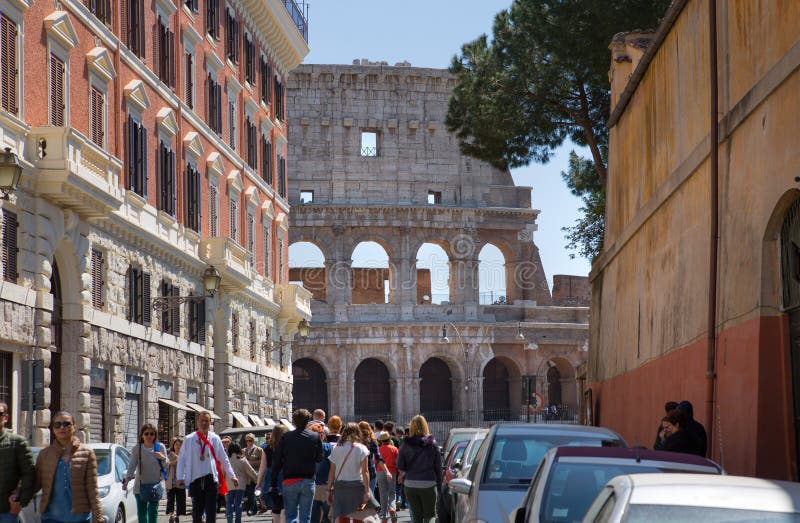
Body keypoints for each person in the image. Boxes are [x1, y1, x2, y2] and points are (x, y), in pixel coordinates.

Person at [35, 411, 103, 523]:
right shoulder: (44, 455)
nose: (62, 427)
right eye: (57, 425)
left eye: (66, 424)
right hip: (51, 518)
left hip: (80, 518)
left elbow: (93, 489)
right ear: (53, 429)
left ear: (74, 427)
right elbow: (34, 484)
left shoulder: (87, 453)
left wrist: (98, 516)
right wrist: (16, 494)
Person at [177, 410, 239, 523]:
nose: (204, 423)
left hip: (211, 480)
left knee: (211, 511)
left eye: (207, 421)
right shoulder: (189, 439)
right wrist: (180, 477)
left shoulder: (215, 438)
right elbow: (181, 459)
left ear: (210, 423)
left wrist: (232, 475)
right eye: (202, 421)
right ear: (197, 422)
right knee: (197, 513)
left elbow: (224, 458)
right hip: (195, 480)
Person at [271, 409, 324, 523]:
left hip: (290, 480)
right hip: (308, 480)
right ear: (308, 421)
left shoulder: (286, 437)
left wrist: (273, 482)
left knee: (290, 516)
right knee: (306, 517)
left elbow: (277, 461)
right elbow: (319, 458)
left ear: (294, 422)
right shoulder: (315, 437)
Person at [397, 415, 441, 523]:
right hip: (428, 484)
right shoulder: (432, 444)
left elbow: (400, 465)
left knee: (416, 517)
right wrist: (439, 487)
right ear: (425, 426)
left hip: (410, 484)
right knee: (430, 515)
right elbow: (438, 468)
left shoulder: (405, 444)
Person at [327, 423, 373, 523]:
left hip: (340, 487)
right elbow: (365, 471)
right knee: (358, 516)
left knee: (343, 517)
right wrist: (367, 491)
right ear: (358, 432)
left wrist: (328, 489)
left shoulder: (336, 448)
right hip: (357, 486)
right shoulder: (361, 448)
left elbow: (332, 472)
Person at [124, 423, 168, 523]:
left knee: (153, 512)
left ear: (155, 435)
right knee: (142, 514)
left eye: (151, 434)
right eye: (146, 433)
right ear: (142, 435)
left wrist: (163, 457)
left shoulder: (160, 447)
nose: (149, 436)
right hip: (140, 486)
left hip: (155, 486)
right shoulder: (137, 449)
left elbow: (167, 465)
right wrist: (126, 481)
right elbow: (131, 466)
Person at [0, 402, 35, 522]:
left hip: (6, 513)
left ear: (5, 417)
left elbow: (29, 473)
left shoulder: (17, 442)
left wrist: (20, 500)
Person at [259, 424, 288, 521]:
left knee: (276, 507)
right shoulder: (288, 447)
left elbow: (262, 468)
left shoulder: (267, 449)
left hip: (272, 480)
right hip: (286, 478)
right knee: (285, 506)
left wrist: (258, 483)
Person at [225, 442, 258, 523]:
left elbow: (222, 472)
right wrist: (258, 480)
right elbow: (251, 471)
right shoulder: (242, 460)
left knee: (229, 503)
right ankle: (238, 521)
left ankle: (229, 520)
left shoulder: (226, 460)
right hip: (240, 485)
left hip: (228, 484)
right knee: (238, 503)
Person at [308, 423, 332, 523]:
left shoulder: (306, 449)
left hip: (310, 486)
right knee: (328, 516)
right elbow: (332, 467)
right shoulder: (328, 447)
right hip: (326, 486)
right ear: (322, 435)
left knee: (313, 517)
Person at [358, 421, 386, 494]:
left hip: (358, 474)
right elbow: (378, 457)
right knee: (370, 498)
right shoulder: (373, 442)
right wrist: (387, 471)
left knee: (359, 499)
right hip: (371, 473)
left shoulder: (356, 442)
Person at [377, 432, 398, 523]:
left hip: (380, 471)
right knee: (392, 492)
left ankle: (384, 516)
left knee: (383, 493)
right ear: (390, 440)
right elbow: (398, 462)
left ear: (381, 441)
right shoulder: (394, 449)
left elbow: (376, 462)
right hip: (392, 472)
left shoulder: (379, 449)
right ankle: (392, 508)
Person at [166, 438, 187, 523]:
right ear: (173, 446)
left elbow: (187, 466)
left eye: (180, 445)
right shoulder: (169, 455)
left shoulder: (184, 455)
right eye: (176, 444)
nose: (178, 446)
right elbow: (165, 465)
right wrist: (171, 463)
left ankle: (177, 516)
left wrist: (177, 458)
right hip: (171, 481)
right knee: (170, 500)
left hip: (180, 481)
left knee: (180, 500)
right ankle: (171, 515)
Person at [242, 433, 263, 516]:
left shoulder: (259, 450)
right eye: (247, 440)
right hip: (246, 476)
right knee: (249, 493)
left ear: (253, 440)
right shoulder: (243, 450)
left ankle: (252, 509)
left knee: (253, 493)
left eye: (250, 440)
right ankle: (253, 508)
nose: (248, 442)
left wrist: (250, 462)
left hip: (256, 474)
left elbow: (262, 462)